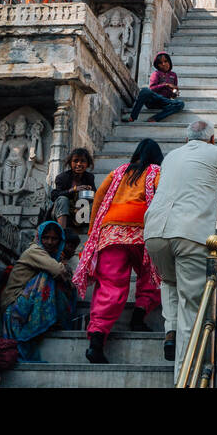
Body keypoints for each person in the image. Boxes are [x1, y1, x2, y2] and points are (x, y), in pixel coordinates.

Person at [144, 119, 217, 374]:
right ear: (212, 139)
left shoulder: (171, 157)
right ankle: (186, 375)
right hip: (189, 237)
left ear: (186, 139)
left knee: (170, 282)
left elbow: (183, 193)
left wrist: (210, 209)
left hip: (155, 233)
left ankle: (170, 329)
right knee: (192, 309)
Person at [74, 139, 164, 363]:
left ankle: (96, 340)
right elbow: (165, 198)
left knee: (110, 285)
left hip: (110, 231)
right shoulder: (157, 172)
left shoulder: (118, 171)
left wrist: (93, 232)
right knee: (153, 275)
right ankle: (138, 316)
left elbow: (98, 200)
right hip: (143, 229)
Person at [0, 220, 77, 361]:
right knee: (47, 275)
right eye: (46, 238)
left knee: (63, 281)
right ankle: (47, 319)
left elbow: (66, 276)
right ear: (39, 238)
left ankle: (54, 319)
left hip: (25, 302)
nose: (49, 242)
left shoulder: (49, 256)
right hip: (14, 304)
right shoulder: (34, 251)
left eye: (54, 239)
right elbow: (57, 270)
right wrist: (63, 268)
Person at [129, 52, 185, 122]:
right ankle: (132, 116)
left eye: (165, 61)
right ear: (158, 65)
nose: (163, 64)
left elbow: (173, 93)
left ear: (169, 62)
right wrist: (166, 85)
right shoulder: (156, 74)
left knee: (181, 104)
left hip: (164, 101)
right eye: (160, 63)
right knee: (145, 90)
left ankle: (155, 118)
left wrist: (175, 93)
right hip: (153, 100)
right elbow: (152, 89)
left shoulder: (173, 75)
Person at [49, 147, 95, 231]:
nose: (79, 164)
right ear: (70, 163)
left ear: (87, 164)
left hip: (81, 214)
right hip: (63, 213)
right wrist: (73, 190)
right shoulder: (62, 177)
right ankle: (62, 233)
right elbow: (54, 195)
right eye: (76, 161)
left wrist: (90, 191)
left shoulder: (89, 177)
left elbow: (95, 194)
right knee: (63, 199)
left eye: (83, 161)